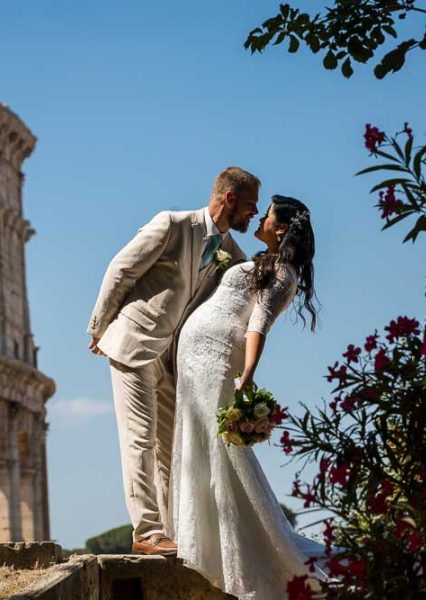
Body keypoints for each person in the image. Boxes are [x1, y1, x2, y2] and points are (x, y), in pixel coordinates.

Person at [86, 167, 259, 555]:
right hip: (134, 342)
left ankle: (173, 531)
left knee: (172, 448)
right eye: (250, 204)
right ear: (229, 199)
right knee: (139, 438)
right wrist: (100, 326)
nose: (254, 213)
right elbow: (121, 270)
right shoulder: (171, 225)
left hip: (176, 361)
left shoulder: (235, 256)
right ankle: (147, 531)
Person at [170, 195, 322, 598]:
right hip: (196, 352)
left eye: (267, 215)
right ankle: (201, 537)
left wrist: (249, 372)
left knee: (221, 449)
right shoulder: (264, 261)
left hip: (218, 355)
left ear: (282, 227)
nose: (260, 218)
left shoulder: (284, 272)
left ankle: (233, 550)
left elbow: (259, 323)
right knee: (199, 443)